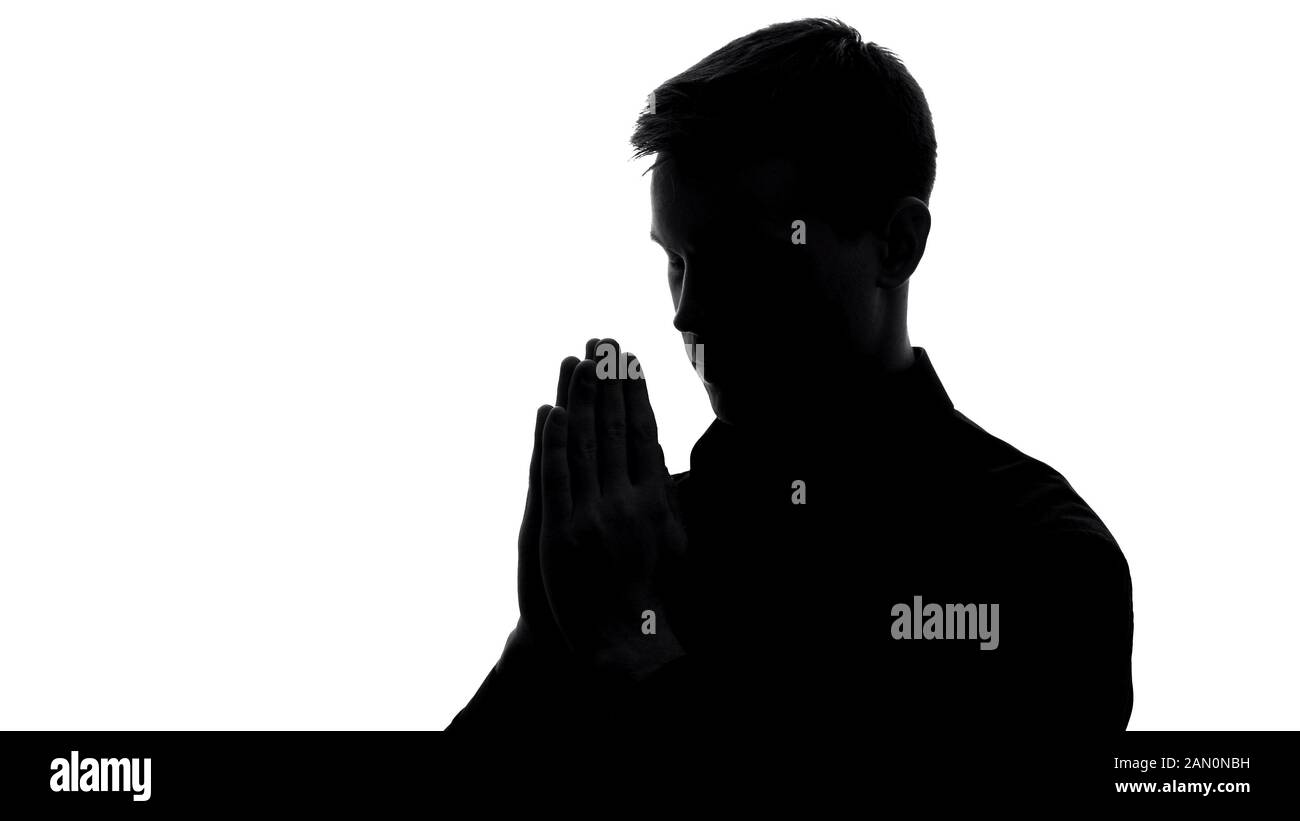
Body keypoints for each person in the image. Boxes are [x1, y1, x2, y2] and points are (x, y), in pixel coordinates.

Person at [447, 17, 1133, 735]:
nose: (689, 312)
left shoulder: (1042, 567)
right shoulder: (636, 543)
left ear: (898, 244)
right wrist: (537, 648)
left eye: (745, 259)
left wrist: (630, 645)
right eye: (675, 261)